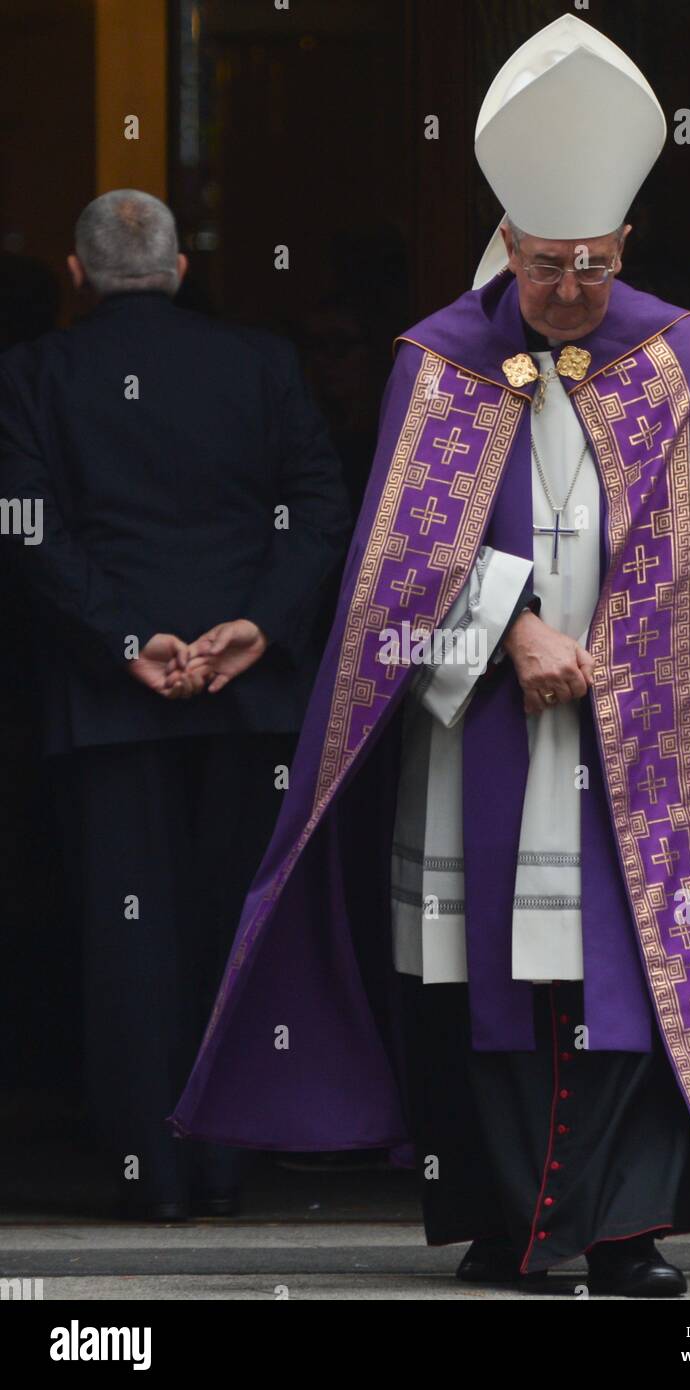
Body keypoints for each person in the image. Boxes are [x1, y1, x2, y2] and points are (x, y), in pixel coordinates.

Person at [169, 16, 690, 1294]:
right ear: (508, 244)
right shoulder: (437, 363)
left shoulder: (681, 356)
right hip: (478, 726)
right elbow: (390, 572)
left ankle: (626, 1230)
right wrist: (510, 626)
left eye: (591, 265)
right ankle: (505, 1218)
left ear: (625, 244)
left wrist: (615, 647)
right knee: (484, 973)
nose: (570, 290)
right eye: (546, 267)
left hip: (634, 733)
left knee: (627, 969)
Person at [0, 190, 351, 1219]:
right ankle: (224, 1163)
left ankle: (148, 1174)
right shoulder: (260, 363)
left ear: (77, 274)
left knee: (127, 940)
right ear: (182, 268)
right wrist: (256, 626)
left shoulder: (32, 374)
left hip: (112, 709)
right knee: (228, 928)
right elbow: (322, 503)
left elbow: (28, 529)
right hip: (248, 704)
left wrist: (123, 641)